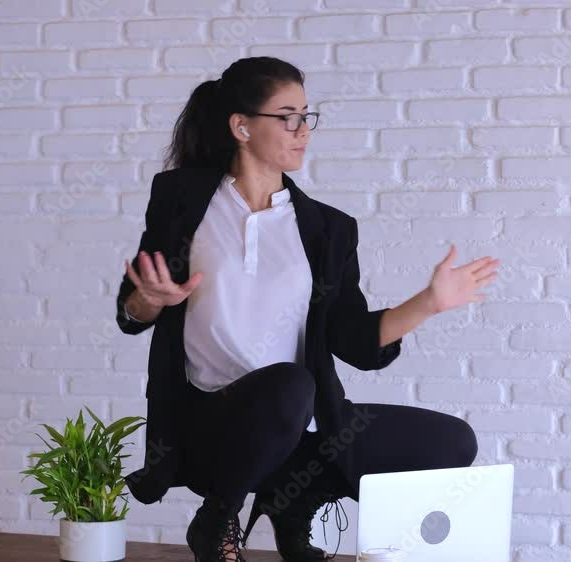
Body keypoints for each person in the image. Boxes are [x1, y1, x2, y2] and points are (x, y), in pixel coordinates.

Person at [118, 56, 500, 562]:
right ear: (242, 126)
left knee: (451, 442)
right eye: (288, 116)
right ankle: (218, 519)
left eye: (306, 117)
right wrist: (151, 299)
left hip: (296, 426)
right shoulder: (181, 199)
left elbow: (356, 343)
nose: (303, 131)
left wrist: (427, 304)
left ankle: (295, 496)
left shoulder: (328, 229)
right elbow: (130, 312)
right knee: (289, 385)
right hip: (213, 428)